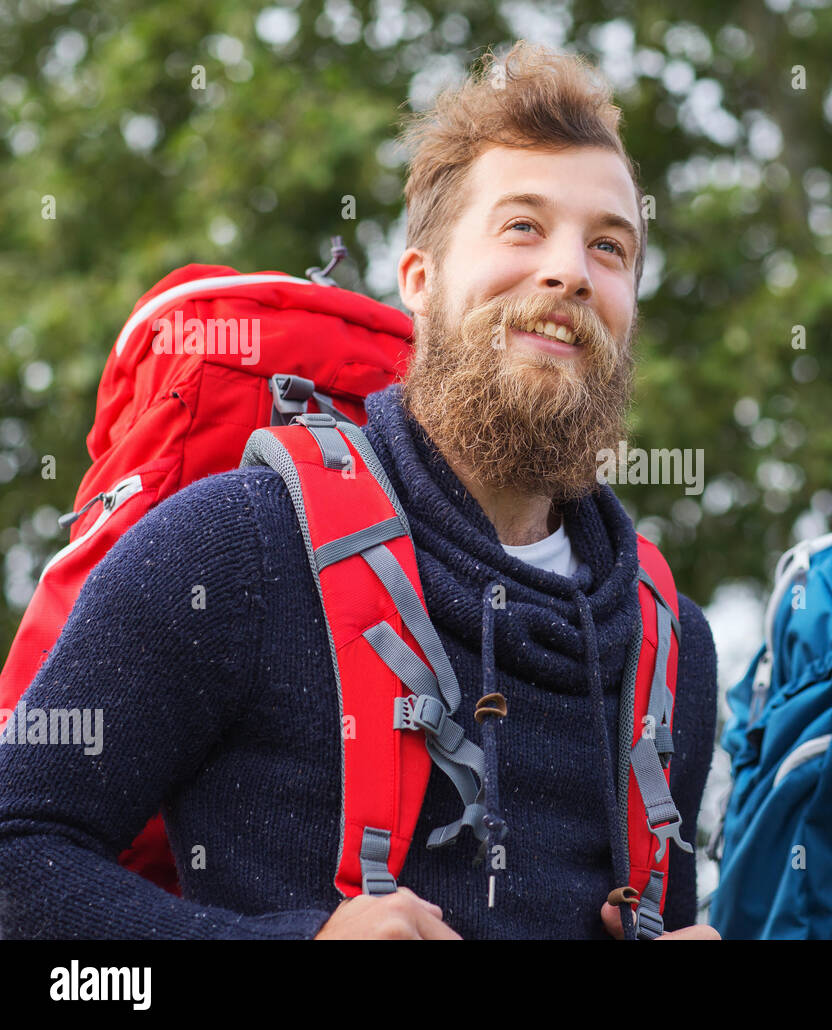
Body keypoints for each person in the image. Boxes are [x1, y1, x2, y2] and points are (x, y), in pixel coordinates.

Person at [0, 42, 718, 940]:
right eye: (523, 227)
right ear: (420, 282)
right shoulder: (234, 551)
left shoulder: (671, 645)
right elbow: (16, 858)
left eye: (609, 246)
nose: (570, 270)